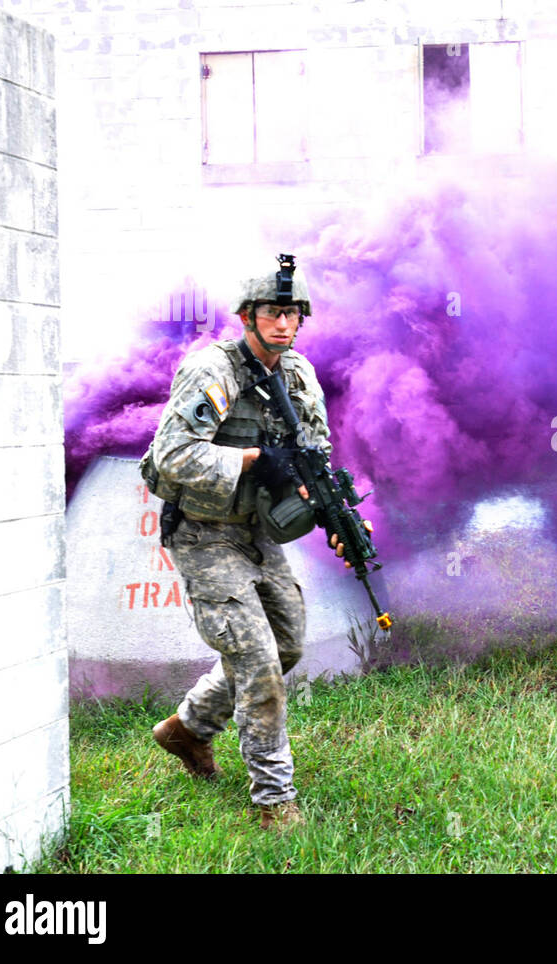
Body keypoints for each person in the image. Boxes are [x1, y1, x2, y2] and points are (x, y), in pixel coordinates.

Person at [141, 254, 338, 830]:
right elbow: (169, 458)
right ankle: (274, 800)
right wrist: (254, 457)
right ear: (248, 316)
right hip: (203, 533)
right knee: (258, 664)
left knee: (288, 646)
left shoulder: (298, 375)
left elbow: (315, 453)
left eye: (294, 313)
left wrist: (334, 510)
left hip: (256, 532)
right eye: (274, 312)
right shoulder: (214, 372)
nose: (285, 323)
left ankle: (187, 728)